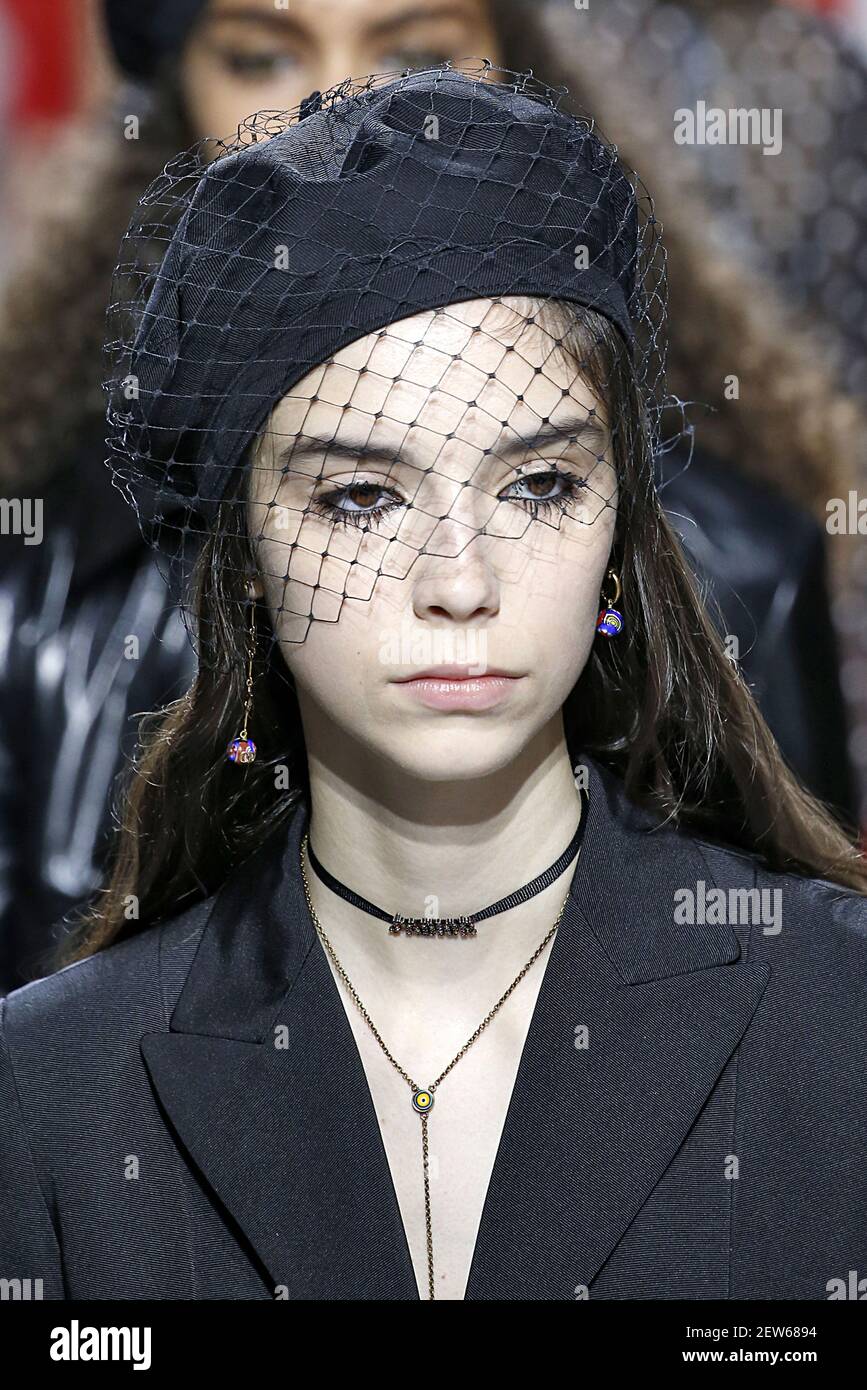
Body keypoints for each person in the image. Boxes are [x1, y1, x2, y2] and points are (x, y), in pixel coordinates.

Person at [1, 66, 864, 1302]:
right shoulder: (51, 1094)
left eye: (540, 486)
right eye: (361, 497)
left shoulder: (841, 1026)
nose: (459, 582)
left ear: (621, 523)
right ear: (244, 555)